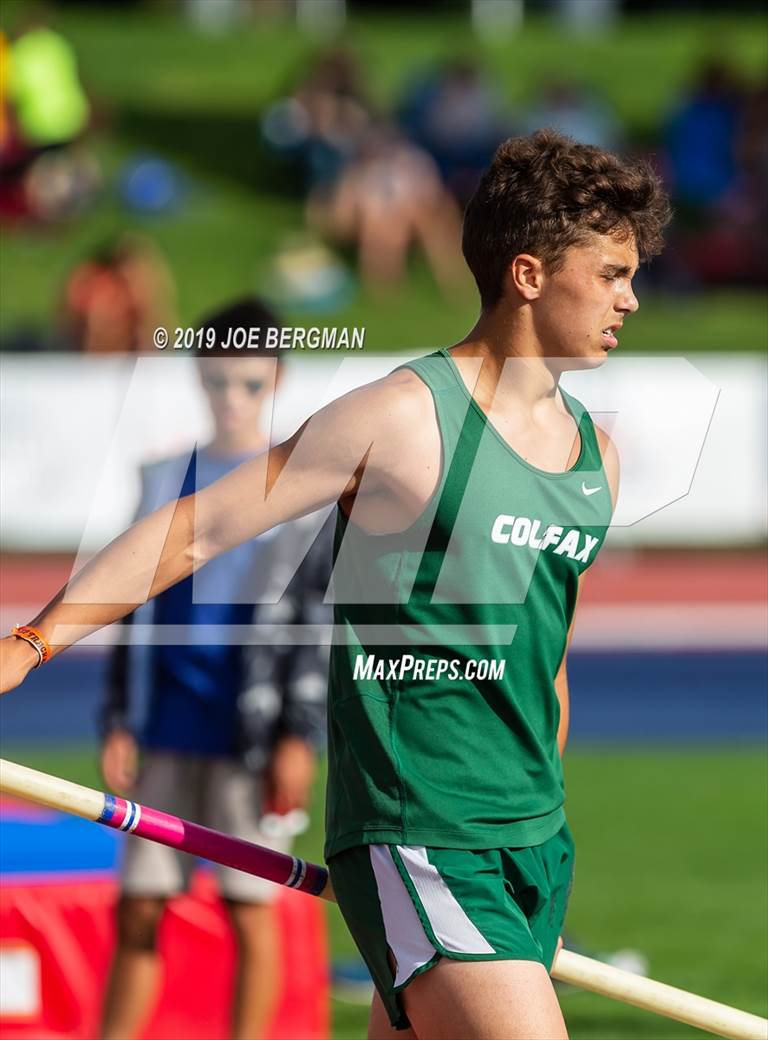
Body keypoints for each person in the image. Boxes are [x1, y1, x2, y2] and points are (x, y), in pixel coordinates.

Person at [1, 130, 671, 1040]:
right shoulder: (401, 417)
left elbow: (545, 653)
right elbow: (198, 529)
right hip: (422, 830)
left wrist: (541, 802)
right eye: (613, 274)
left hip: (534, 837)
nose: (631, 300)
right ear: (528, 274)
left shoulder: (599, 455)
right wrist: (31, 643)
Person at [97, 298, 330, 1040]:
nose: (232, 398)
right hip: (167, 717)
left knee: (248, 905)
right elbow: (125, 600)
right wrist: (117, 719)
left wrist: (301, 734)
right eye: (218, 381)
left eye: (250, 384)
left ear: (279, 379)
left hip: (249, 726)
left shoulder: (302, 487)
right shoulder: (164, 476)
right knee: (139, 903)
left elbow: (317, 624)